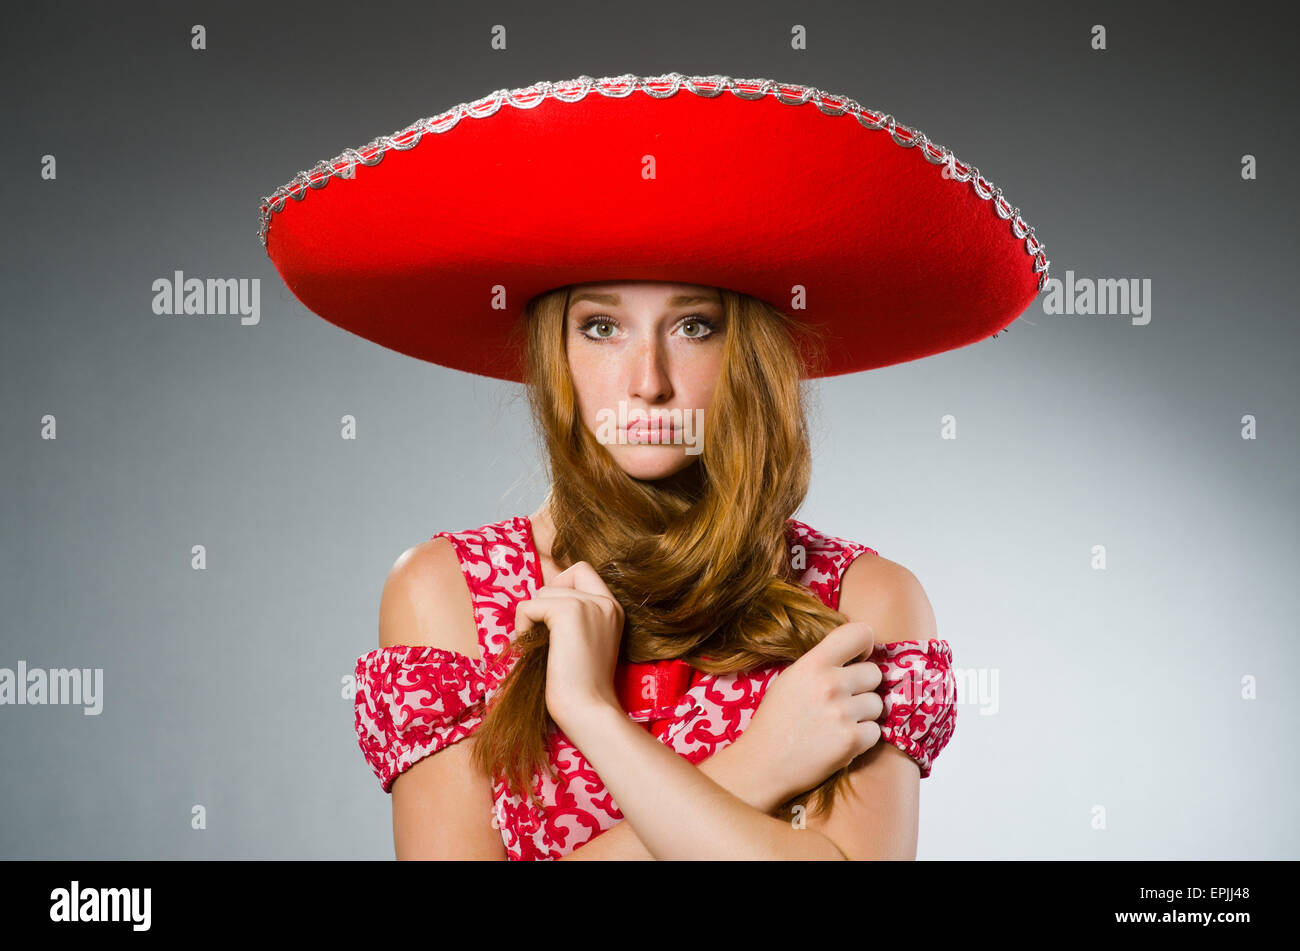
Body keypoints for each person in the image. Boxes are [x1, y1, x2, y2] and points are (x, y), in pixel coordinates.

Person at [257, 72, 1049, 860]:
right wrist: (748, 767)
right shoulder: (446, 594)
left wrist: (594, 719)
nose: (647, 378)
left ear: (751, 355)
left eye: (695, 326)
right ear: (555, 353)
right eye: (601, 327)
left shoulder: (865, 599)